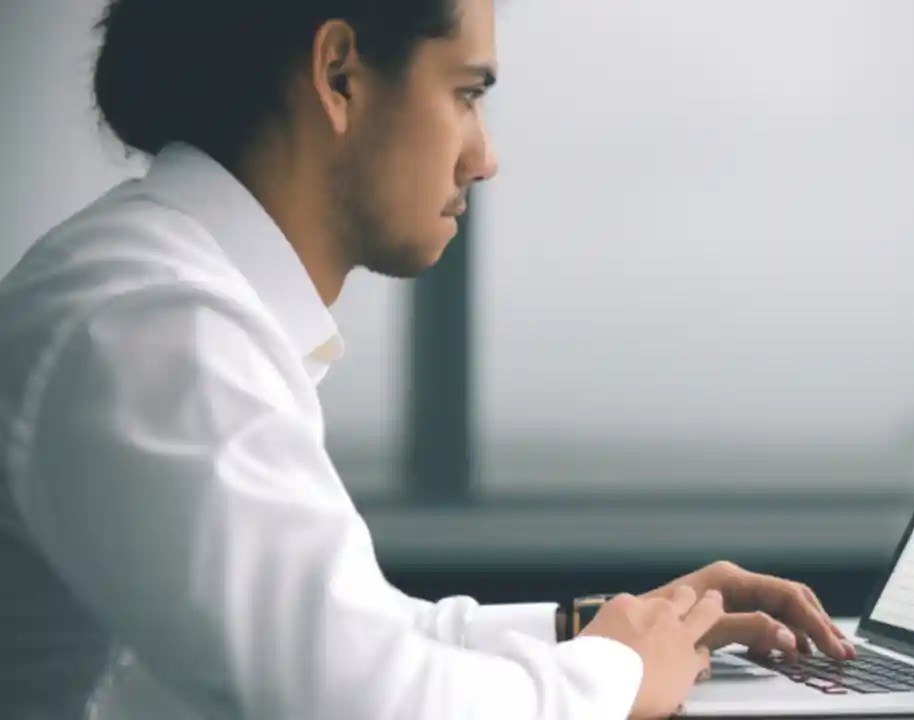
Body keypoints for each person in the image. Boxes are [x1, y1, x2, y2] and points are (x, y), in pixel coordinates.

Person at [0, 0, 853, 717]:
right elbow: (361, 698)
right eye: (466, 94)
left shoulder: (161, 289)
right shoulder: (155, 323)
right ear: (338, 76)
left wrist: (614, 628)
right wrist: (618, 675)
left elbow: (360, 635)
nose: (485, 157)